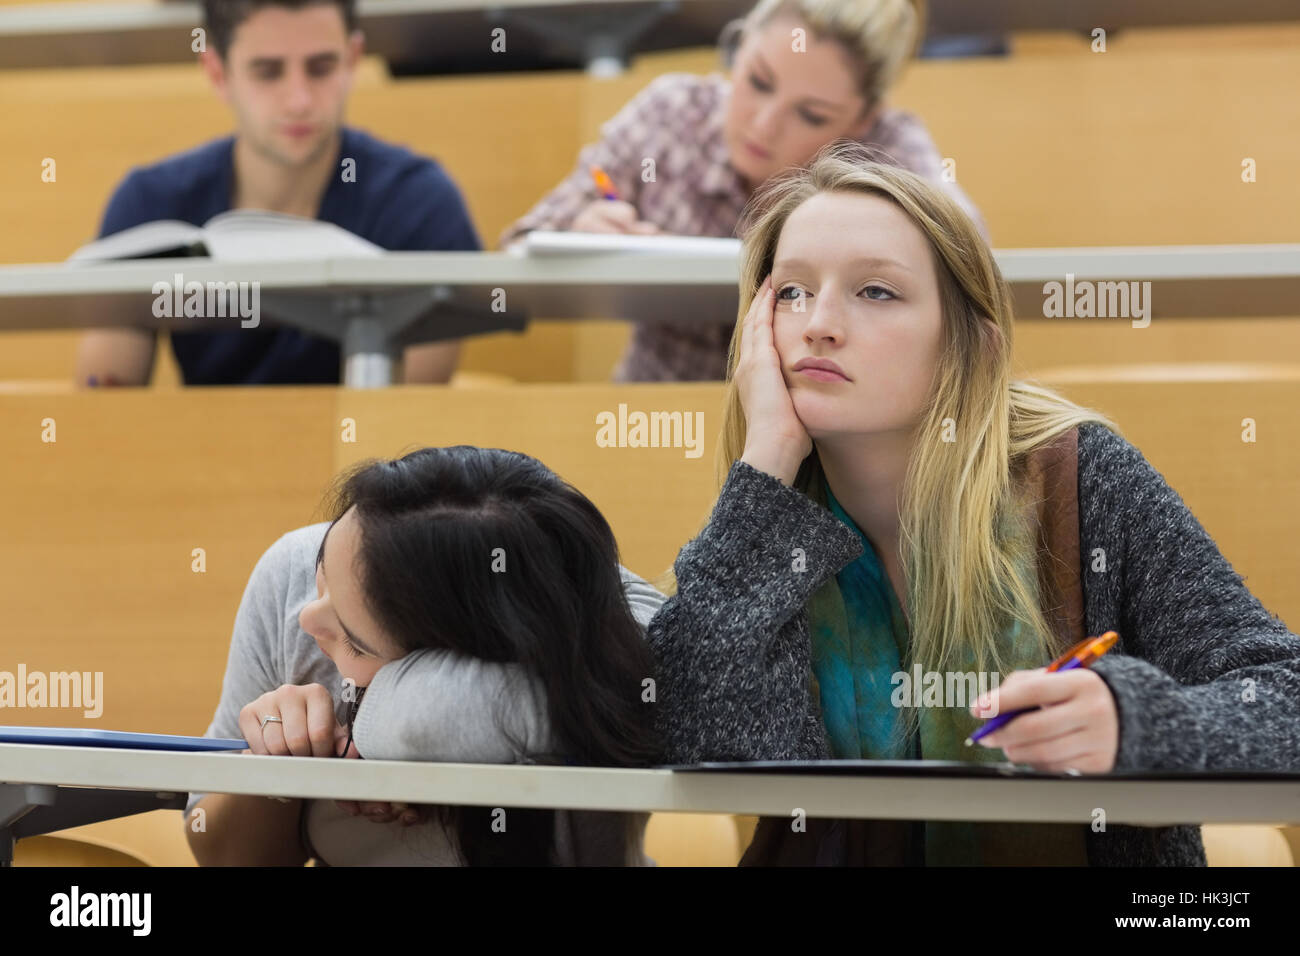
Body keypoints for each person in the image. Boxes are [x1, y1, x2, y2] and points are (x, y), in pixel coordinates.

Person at [644, 142, 1300, 865]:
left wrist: (1135, 718)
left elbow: (1283, 697)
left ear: (973, 347)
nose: (817, 324)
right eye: (792, 291)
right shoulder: (768, 518)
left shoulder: (1083, 477)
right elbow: (690, 730)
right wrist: (765, 458)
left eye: (876, 292)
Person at [184, 446, 666, 865]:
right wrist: (278, 766)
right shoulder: (291, 574)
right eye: (322, 570)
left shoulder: (596, 627)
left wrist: (403, 743)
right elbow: (219, 850)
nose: (308, 618)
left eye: (355, 642)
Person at [500, 0, 984, 382]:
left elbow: (971, 266)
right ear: (738, 46)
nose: (764, 124)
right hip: (659, 409)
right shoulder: (672, 113)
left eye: (811, 115)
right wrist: (581, 229)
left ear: (862, 122)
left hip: (822, 442)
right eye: (757, 81)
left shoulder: (888, 150)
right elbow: (520, 243)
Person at [76, 0, 478, 387]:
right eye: (268, 72)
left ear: (353, 59)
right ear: (218, 73)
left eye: (321, 68)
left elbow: (404, 421)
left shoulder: (418, 201)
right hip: (204, 450)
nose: (299, 100)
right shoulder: (151, 204)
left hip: (362, 453)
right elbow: (105, 404)